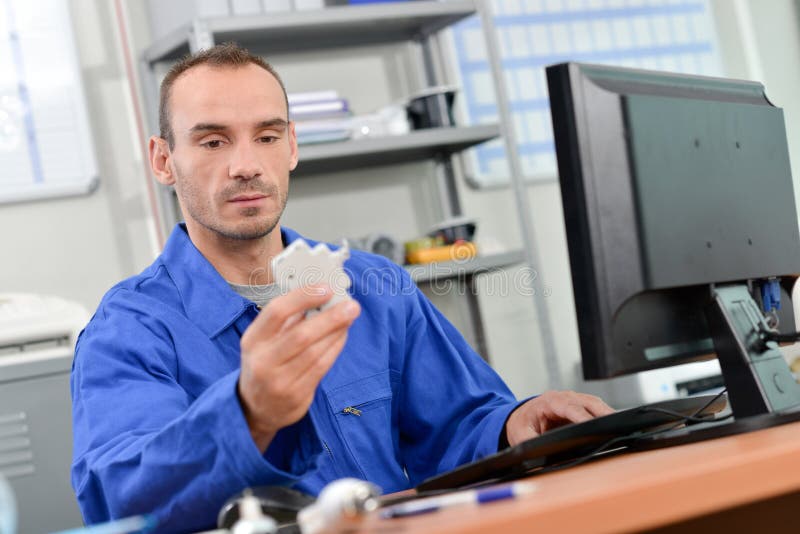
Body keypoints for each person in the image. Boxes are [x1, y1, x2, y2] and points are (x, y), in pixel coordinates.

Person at [70, 43, 612, 532]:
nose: (246, 165)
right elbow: (123, 504)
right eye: (212, 141)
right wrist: (248, 413)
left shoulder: (375, 288)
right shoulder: (129, 331)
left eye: (267, 135)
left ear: (292, 146)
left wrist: (516, 423)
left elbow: (459, 424)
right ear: (164, 160)